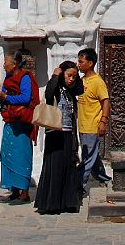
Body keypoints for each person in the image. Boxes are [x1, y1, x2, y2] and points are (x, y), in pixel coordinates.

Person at [34, 60, 84, 214]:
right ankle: (52, 203)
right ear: (62, 74)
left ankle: (67, 202)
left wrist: (75, 75)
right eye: (69, 75)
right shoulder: (56, 89)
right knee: (55, 167)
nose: (71, 79)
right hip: (55, 133)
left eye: (74, 76)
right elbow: (48, 94)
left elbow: (80, 89)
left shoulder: (70, 92)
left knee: (68, 166)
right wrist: (55, 76)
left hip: (68, 133)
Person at [0, 50, 38, 203]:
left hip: (21, 124)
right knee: (8, 154)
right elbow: (5, 96)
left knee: (21, 155)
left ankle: (24, 192)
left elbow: (25, 98)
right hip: (10, 122)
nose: (4, 65)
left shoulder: (24, 78)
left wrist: (6, 97)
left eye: (6, 62)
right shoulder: (8, 79)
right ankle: (14, 189)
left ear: (14, 64)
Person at [75, 47, 112, 191]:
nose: (79, 64)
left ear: (90, 63)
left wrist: (103, 121)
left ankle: (79, 186)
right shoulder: (81, 81)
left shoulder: (98, 82)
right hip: (82, 125)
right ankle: (106, 179)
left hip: (93, 125)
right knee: (93, 157)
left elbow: (106, 102)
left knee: (87, 158)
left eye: (81, 61)